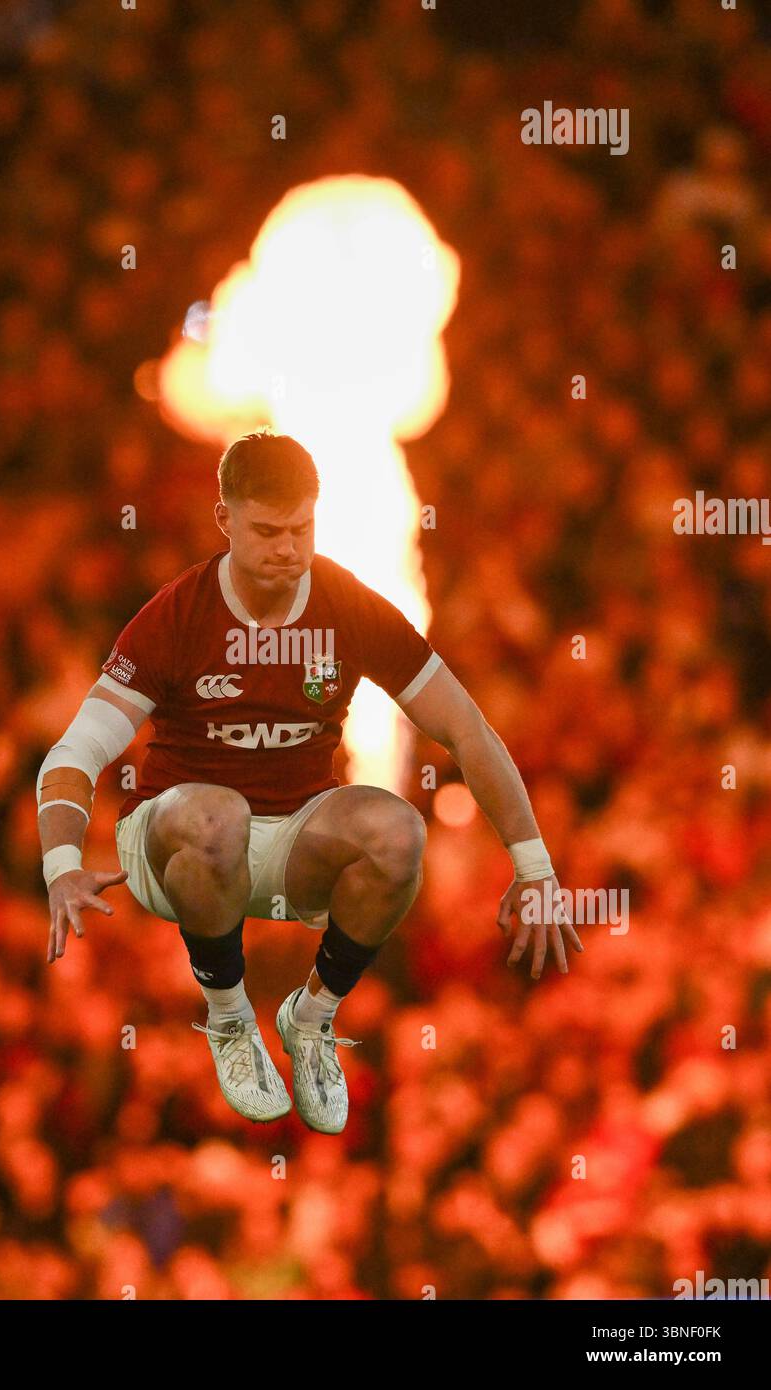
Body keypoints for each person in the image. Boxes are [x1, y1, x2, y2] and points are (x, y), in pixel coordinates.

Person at [36, 429, 580, 1134]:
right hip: (173, 839)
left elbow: (466, 729)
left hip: (292, 836)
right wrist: (61, 864)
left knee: (396, 832)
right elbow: (72, 755)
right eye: (267, 531)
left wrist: (532, 865)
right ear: (224, 520)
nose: (288, 548)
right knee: (217, 817)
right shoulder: (176, 617)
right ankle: (230, 1021)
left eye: (301, 528)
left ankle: (312, 1017)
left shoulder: (346, 607)